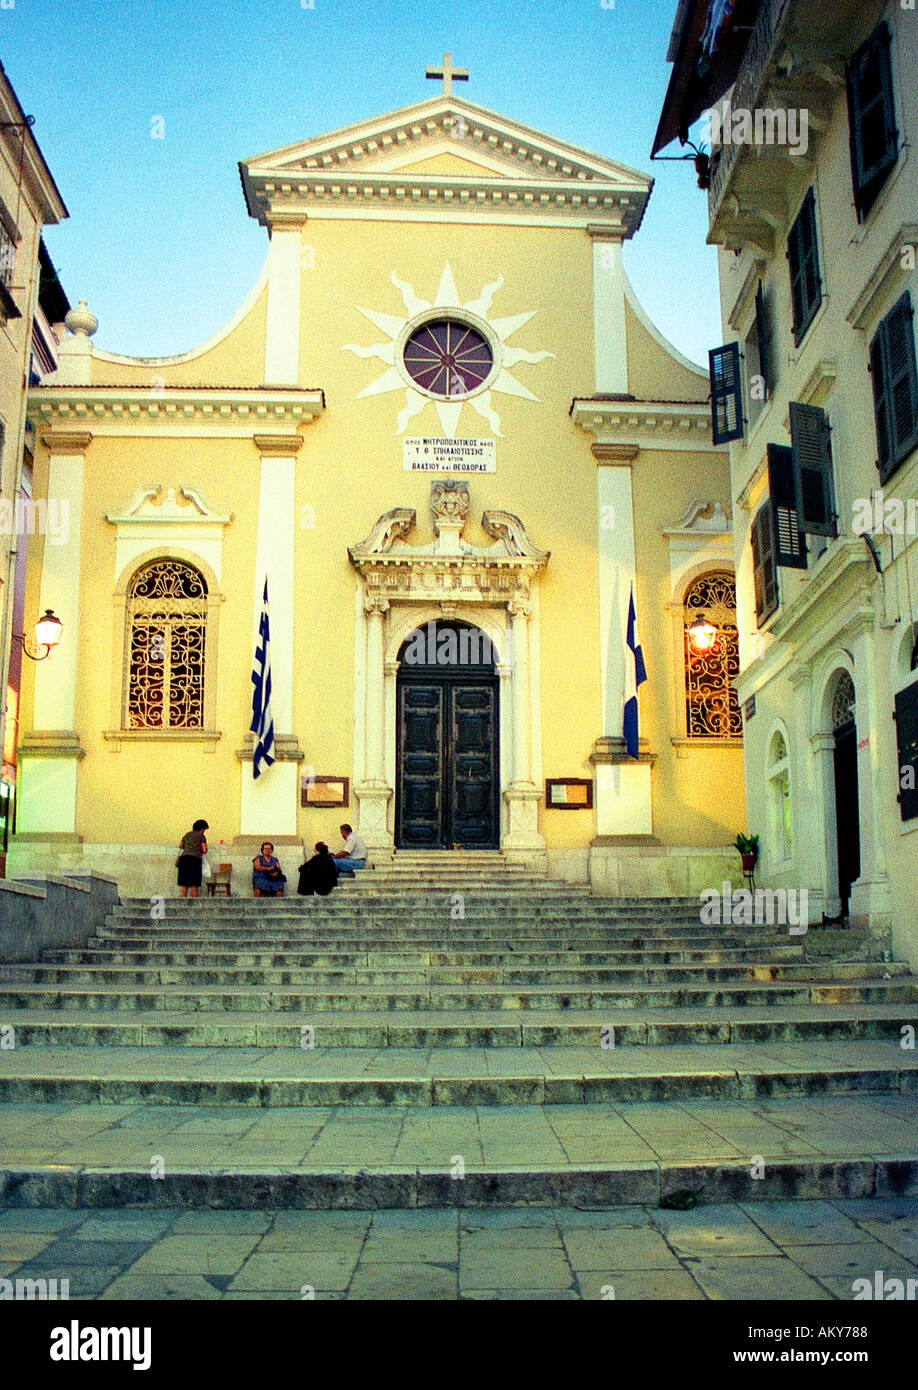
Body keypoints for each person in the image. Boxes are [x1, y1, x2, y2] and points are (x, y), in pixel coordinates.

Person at [177, 819, 209, 899]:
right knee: (194, 883)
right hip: (195, 860)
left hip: (184, 859)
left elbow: (180, 846)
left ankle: (182, 901)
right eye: (204, 829)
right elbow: (204, 850)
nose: (204, 831)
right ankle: (194, 902)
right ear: (202, 828)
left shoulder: (187, 835)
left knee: (184, 883)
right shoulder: (201, 836)